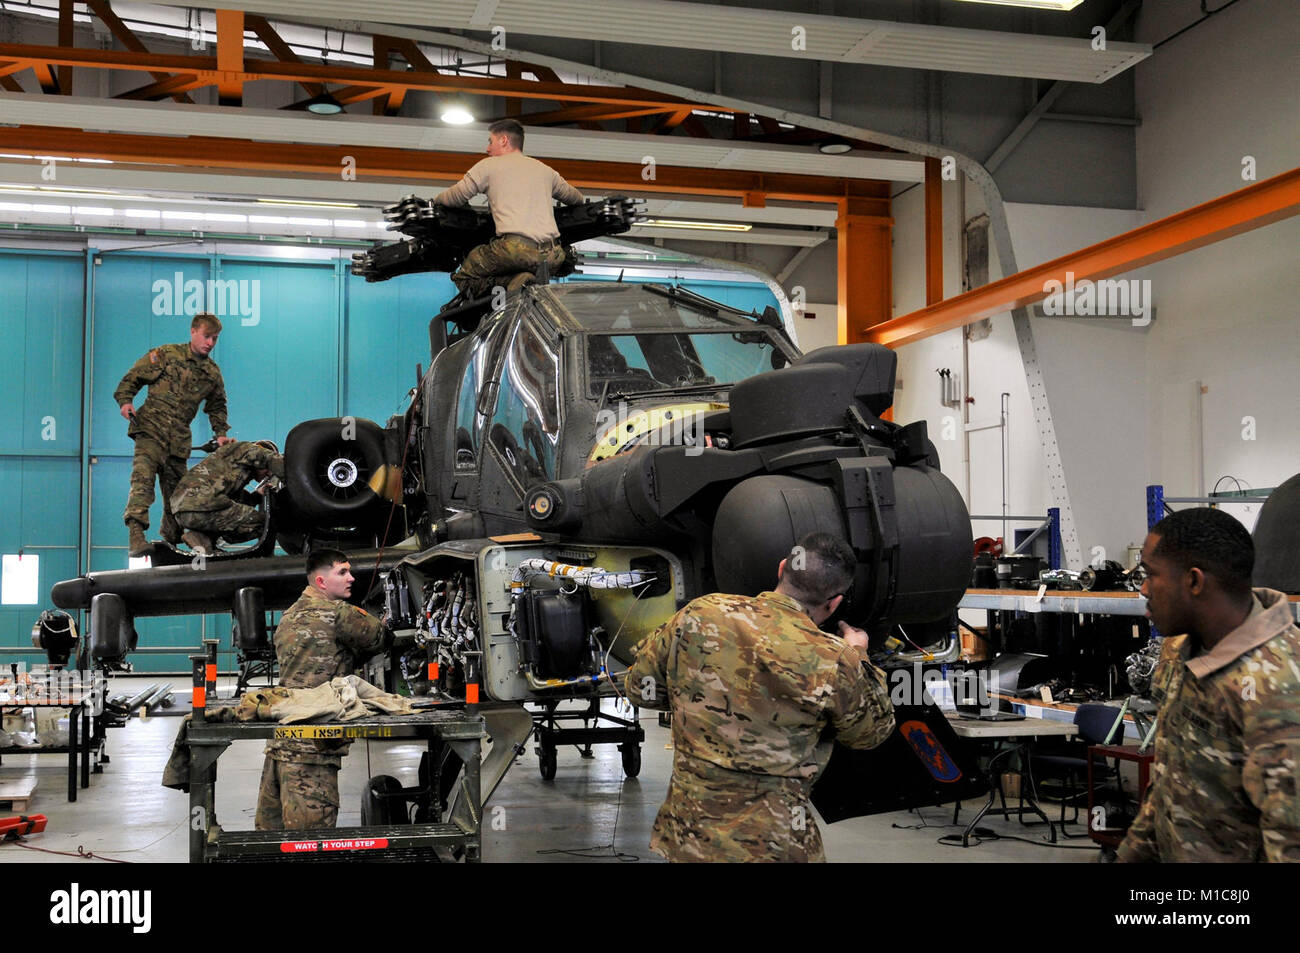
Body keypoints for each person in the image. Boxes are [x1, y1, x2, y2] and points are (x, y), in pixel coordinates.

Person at [625, 532, 895, 862]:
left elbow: (640, 688)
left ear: (782, 568)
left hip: (690, 838)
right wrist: (859, 656)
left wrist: (698, 699)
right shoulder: (835, 659)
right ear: (835, 602)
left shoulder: (698, 614)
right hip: (775, 846)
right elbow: (870, 733)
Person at [1117, 507, 1300, 862]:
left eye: (1150, 574)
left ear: (1194, 581)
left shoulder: (1279, 689)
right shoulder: (1178, 648)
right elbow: (1168, 780)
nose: (1143, 588)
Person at [254, 549, 389, 831]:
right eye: (343, 572)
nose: (351, 578)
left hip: (281, 741)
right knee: (312, 842)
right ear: (321, 581)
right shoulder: (339, 613)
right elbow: (382, 638)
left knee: (271, 839)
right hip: (314, 747)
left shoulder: (289, 615)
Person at [114, 312, 232, 557]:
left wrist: (220, 433)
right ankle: (136, 536)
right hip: (150, 429)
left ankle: (171, 541)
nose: (210, 342)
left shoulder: (211, 372)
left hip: (178, 440)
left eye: (215, 338)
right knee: (143, 480)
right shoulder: (167, 355)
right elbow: (133, 377)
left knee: (179, 495)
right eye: (206, 336)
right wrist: (126, 401)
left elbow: (218, 406)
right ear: (193, 332)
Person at [433, 118, 584, 299]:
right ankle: (521, 283)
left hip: (514, 251)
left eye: (490, 141)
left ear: (503, 140)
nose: (487, 149)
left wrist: (434, 201)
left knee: (465, 276)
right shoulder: (546, 170)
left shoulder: (488, 166)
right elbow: (577, 198)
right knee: (518, 268)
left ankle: (511, 282)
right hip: (553, 256)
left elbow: (455, 197)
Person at [169, 439, 284, 555]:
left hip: (183, 511)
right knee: (266, 523)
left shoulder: (230, 465)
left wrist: (257, 495)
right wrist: (291, 482)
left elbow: (236, 503)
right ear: (259, 462)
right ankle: (265, 556)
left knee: (233, 517)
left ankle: (202, 537)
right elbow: (271, 459)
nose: (269, 474)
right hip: (202, 505)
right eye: (267, 469)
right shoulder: (248, 450)